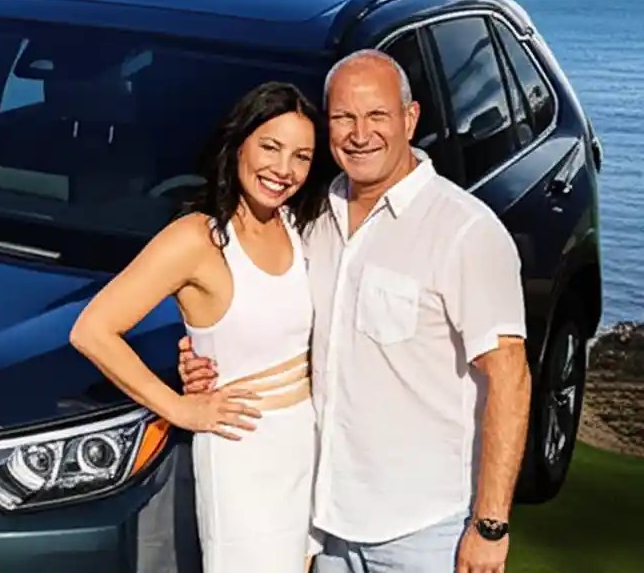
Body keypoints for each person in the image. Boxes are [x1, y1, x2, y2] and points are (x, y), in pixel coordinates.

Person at [177, 49, 532, 573]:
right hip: (325, 521)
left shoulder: (464, 232)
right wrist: (210, 357)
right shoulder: (311, 218)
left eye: (377, 116)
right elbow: (281, 327)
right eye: (343, 117)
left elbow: (511, 379)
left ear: (410, 120)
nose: (359, 133)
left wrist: (490, 525)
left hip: (424, 529)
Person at [69, 81, 333, 573]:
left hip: (306, 449)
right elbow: (93, 330)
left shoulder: (299, 225)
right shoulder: (196, 238)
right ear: (238, 145)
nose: (283, 169)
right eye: (270, 147)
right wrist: (181, 409)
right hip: (241, 457)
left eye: (301, 156)